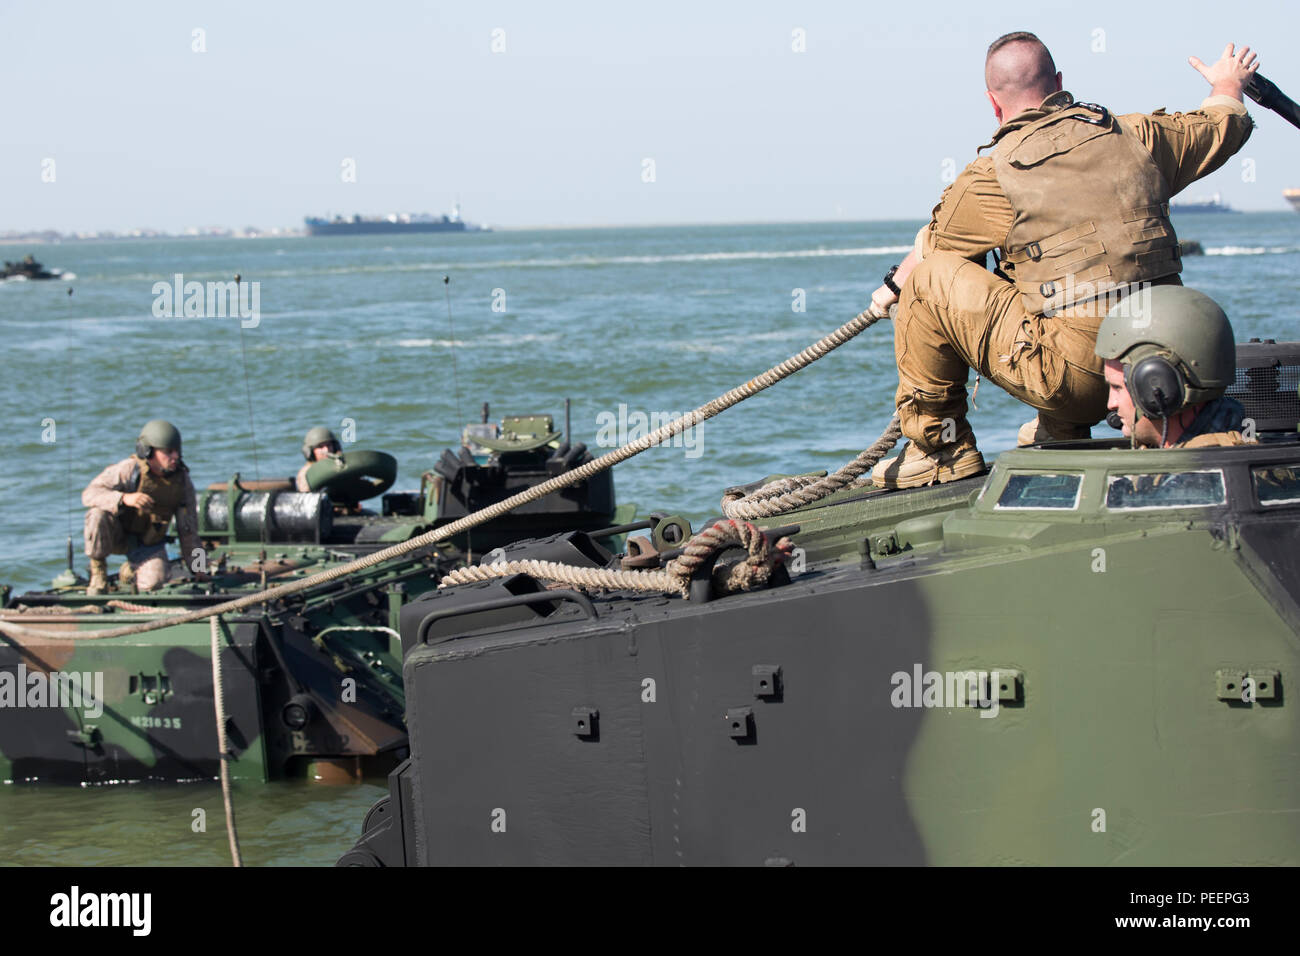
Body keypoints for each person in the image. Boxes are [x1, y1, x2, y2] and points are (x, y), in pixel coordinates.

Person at [867, 32, 1256, 488]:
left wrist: (889, 291)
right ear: (1060, 83)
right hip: (1159, 374)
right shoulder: (1139, 136)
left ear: (993, 104)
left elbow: (930, 257)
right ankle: (1059, 432)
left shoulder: (990, 178)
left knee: (934, 281)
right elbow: (1221, 125)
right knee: (1042, 272)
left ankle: (940, 451)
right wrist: (1228, 84)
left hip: (1076, 386)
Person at [1095, 285, 1245, 449]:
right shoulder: (1235, 445)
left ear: (1159, 385)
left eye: (1117, 387)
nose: (1111, 404)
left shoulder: (1194, 472)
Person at [83, 419, 204, 594]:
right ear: (148, 451)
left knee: (154, 584)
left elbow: (189, 530)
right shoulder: (129, 470)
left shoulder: (182, 482)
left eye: (177, 451)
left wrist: (199, 567)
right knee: (96, 514)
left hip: (147, 544)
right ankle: (98, 573)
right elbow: (90, 494)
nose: (175, 457)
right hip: (116, 535)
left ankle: (130, 571)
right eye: (168, 452)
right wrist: (124, 498)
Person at [296, 426, 341, 492]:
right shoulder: (306, 473)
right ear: (311, 451)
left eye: (329, 445)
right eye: (320, 447)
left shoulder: (340, 465)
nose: (326, 450)